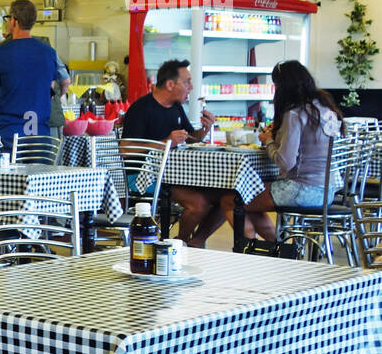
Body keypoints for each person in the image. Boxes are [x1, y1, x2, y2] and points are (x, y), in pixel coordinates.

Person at [220, 60, 343, 241]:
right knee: (251, 199)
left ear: (283, 87)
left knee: (230, 199)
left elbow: (286, 162)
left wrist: (268, 140)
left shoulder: (295, 113)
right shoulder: (324, 108)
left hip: (302, 190)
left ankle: (245, 249)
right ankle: (276, 250)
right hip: (327, 191)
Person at [121, 59, 222, 247]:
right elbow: (125, 149)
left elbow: (190, 137)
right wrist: (166, 142)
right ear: (170, 84)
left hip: (175, 174)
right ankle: (179, 243)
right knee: (198, 204)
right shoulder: (141, 108)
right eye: (186, 82)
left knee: (227, 198)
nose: (191, 87)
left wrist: (204, 130)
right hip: (143, 176)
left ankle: (196, 241)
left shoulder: (176, 107)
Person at [0, 0, 66, 145]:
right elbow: (51, 89)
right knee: (40, 168)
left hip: (9, 131)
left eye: (8, 19)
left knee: (6, 167)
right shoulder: (49, 53)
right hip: (40, 132)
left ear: (14, 21)